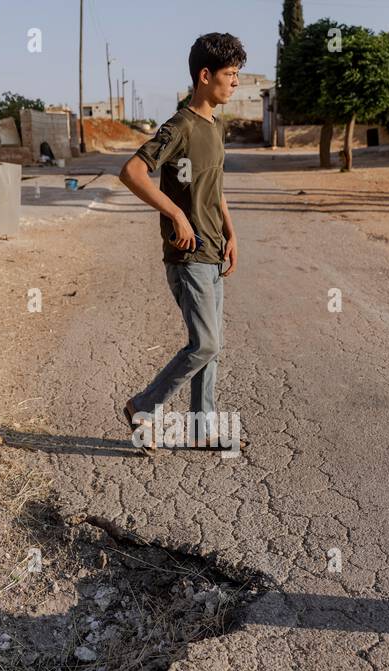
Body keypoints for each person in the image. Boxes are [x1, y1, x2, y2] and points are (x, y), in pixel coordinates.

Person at [118, 33, 245, 450]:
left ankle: (202, 429)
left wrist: (230, 230)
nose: (236, 82)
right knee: (204, 342)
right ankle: (144, 406)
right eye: (230, 74)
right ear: (205, 76)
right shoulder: (179, 127)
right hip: (187, 255)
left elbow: (214, 185)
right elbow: (132, 172)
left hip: (212, 249)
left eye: (238, 74)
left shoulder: (215, 125)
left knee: (213, 347)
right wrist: (174, 213)